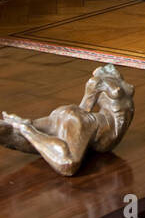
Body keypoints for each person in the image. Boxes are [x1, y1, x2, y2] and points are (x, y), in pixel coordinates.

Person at [0, 64, 135, 177]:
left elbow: (85, 108)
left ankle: (26, 129)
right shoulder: (113, 87)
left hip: (70, 116)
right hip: (83, 121)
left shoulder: (102, 82)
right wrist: (30, 132)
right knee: (68, 163)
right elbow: (85, 109)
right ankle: (28, 130)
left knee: (14, 130)